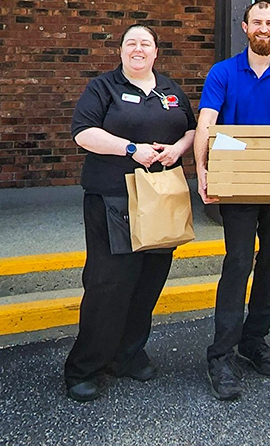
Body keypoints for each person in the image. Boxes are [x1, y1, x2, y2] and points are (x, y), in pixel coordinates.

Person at [64, 24, 196, 402]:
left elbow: (191, 128)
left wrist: (178, 149)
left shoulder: (170, 90)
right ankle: (84, 368)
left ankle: (128, 354)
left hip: (160, 198)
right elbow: (82, 132)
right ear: (121, 51)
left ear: (156, 52)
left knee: (148, 282)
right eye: (131, 43)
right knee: (109, 285)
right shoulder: (102, 88)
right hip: (113, 200)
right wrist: (129, 149)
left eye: (145, 44)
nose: (138, 49)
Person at [194, 0, 270, 401]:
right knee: (239, 261)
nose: (263, 27)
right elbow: (206, 123)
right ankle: (220, 354)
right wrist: (202, 171)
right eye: (257, 21)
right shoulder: (223, 72)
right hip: (237, 182)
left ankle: (254, 340)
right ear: (245, 26)